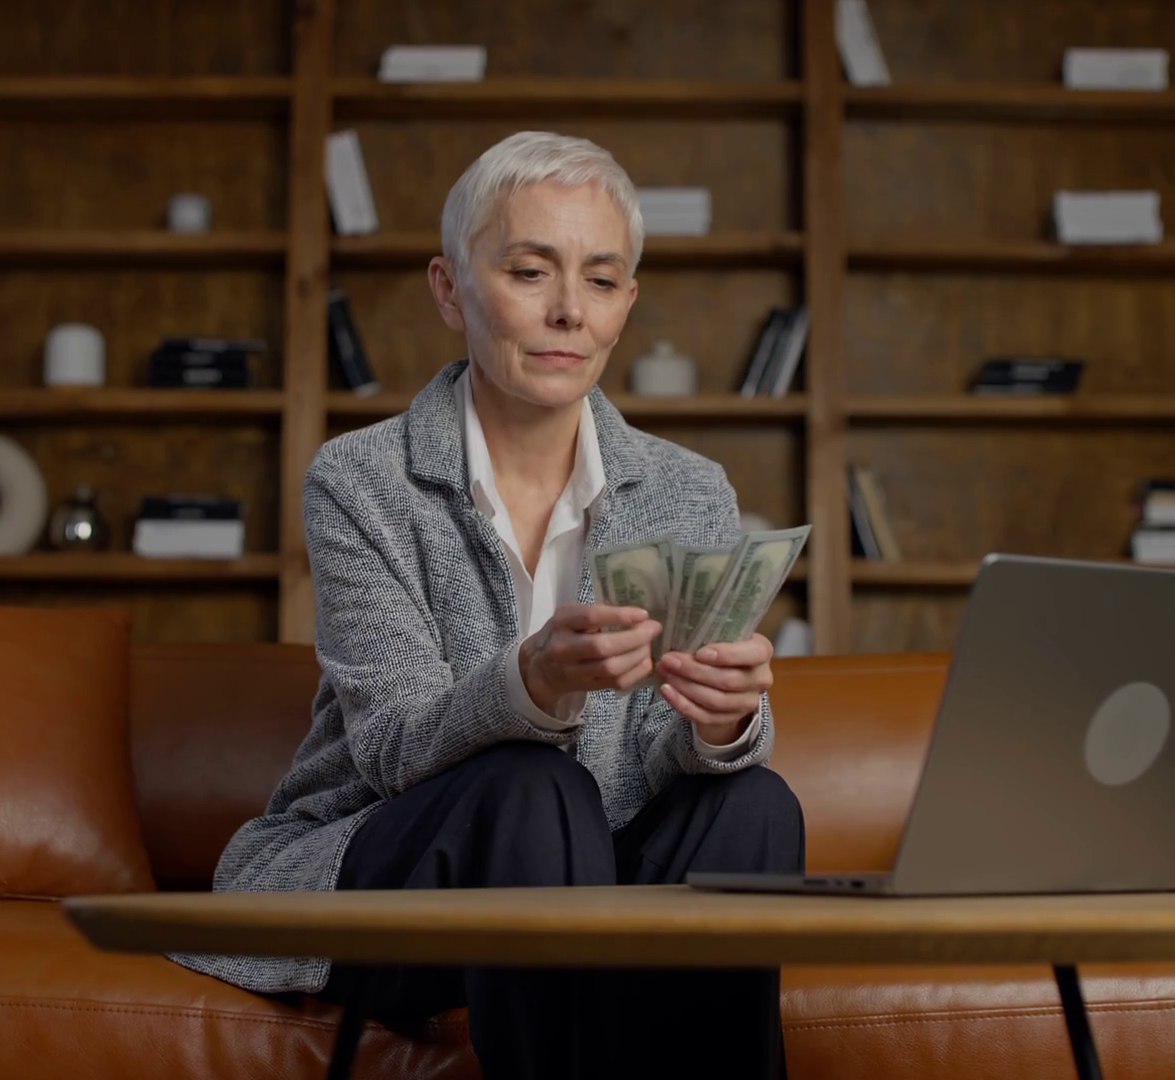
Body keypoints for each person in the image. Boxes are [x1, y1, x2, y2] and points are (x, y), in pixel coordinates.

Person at [171, 131, 805, 1080]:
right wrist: (530, 680)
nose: (565, 313)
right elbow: (391, 750)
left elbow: (662, 762)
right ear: (448, 288)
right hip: (405, 872)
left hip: (609, 869)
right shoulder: (361, 480)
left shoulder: (690, 488)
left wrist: (719, 724)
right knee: (531, 785)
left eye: (599, 281)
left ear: (626, 306)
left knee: (753, 801)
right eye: (528, 271)